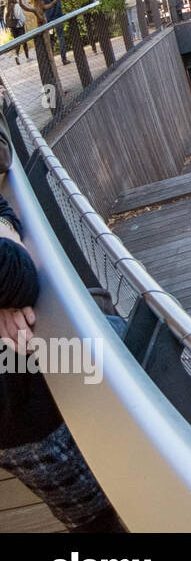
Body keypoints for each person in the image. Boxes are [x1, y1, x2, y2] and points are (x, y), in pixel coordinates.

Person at [0, 195, 126, 532]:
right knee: (99, 516)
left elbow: (3, 208)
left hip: (45, 378)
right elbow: (15, 272)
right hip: (26, 416)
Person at [39, 0, 67, 65]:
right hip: (57, 16)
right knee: (60, 37)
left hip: (48, 18)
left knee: (50, 38)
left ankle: (51, 60)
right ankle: (64, 59)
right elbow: (58, 3)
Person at [4, 0, 29, 64]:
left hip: (12, 27)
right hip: (19, 26)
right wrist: (24, 21)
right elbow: (20, 16)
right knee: (24, 41)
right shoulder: (17, 5)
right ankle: (27, 58)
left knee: (17, 42)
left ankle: (16, 56)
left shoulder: (7, 7)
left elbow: (5, 18)